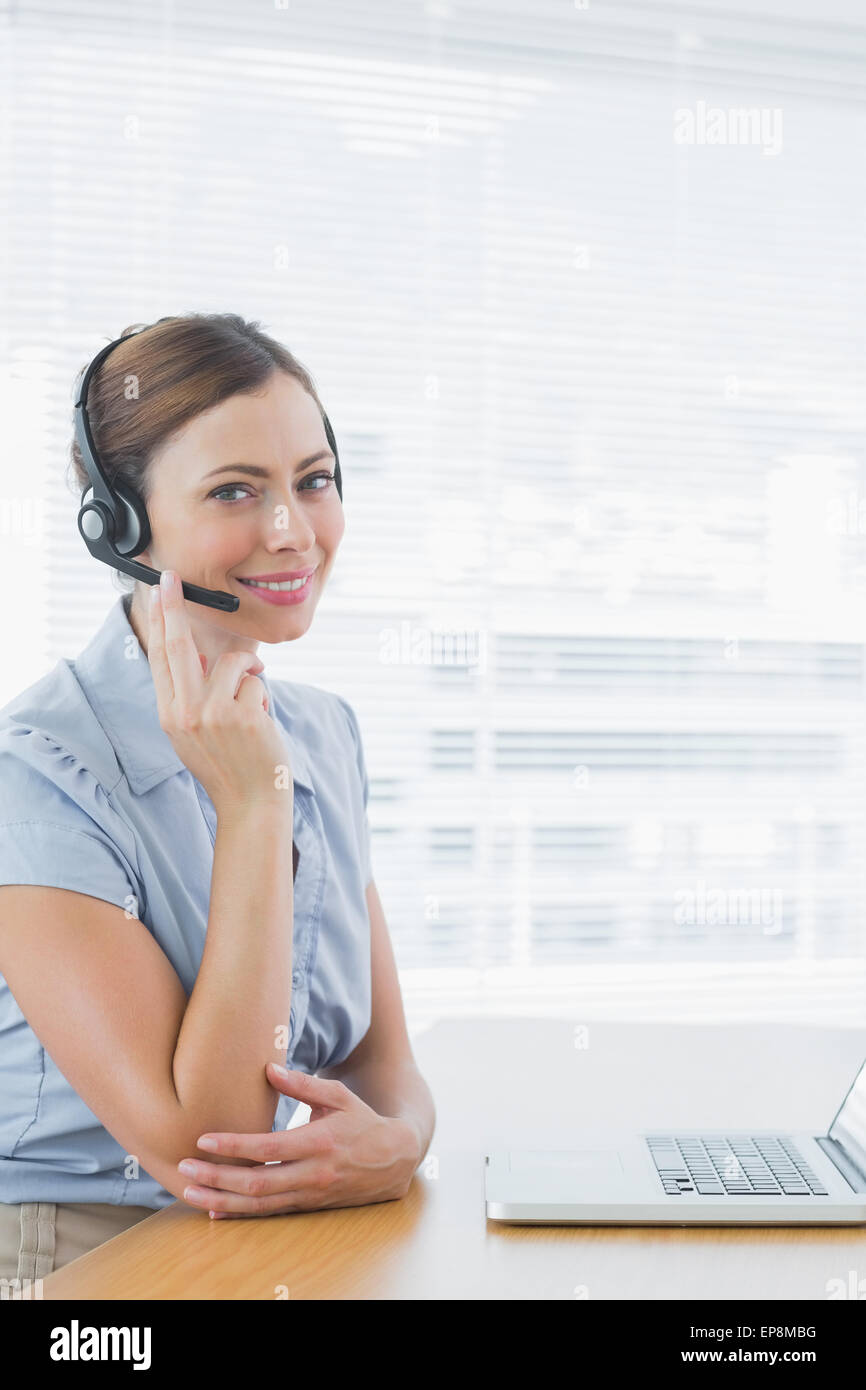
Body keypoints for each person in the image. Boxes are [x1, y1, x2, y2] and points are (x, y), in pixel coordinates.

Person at [0, 313, 435, 1288]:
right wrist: (252, 808)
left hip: (271, 1245)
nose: (291, 531)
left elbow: (381, 1063)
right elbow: (210, 1142)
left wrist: (398, 1141)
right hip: (77, 1255)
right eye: (235, 490)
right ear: (121, 524)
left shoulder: (321, 729)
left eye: (312, 480)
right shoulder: (36, 770)